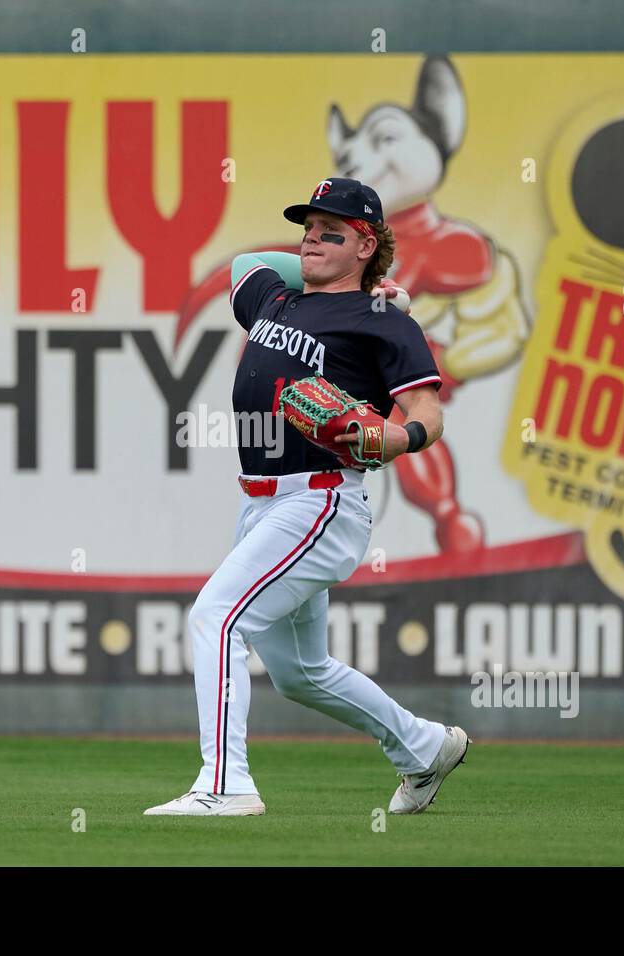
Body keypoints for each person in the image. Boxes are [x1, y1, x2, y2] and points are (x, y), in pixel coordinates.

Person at [144, 178, 469, 817]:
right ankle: (424, 747)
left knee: (215, 616)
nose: (312, 240)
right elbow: (244, 265)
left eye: (331, 232)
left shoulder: (382, 320)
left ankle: (225, 786)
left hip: (320, 499)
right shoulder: (278, 295)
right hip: (261, 502)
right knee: (300, 671)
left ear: (365, 242)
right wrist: (355, 271)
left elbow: (429, 411)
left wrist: (396, 437)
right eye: (308, 229)